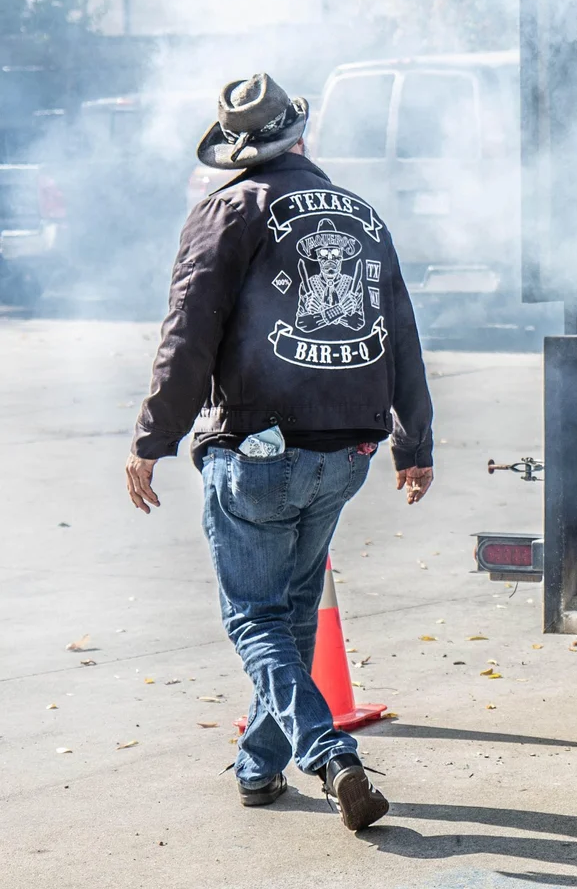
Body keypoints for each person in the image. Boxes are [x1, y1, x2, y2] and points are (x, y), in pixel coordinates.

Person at [124, 73, 435, 831]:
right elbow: (401, 328)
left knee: (256, 619)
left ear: (236, 149)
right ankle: (259, 769)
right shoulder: (361, 213)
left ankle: (329, 758)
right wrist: (413, 441)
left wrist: (151, 440)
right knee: (293, 614)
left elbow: (188, 331)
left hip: (258, 454)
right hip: (346, 455)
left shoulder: (229, 208)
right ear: (304, 136)